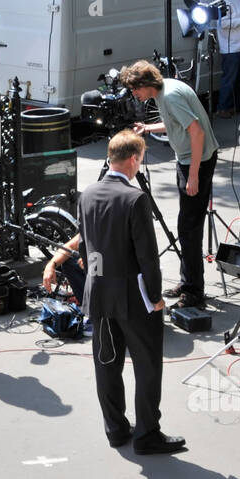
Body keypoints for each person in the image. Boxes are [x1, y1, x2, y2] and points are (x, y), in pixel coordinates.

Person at [77, 129, 184, 454]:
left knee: (106, 362)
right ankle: (148, 434)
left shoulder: (88, 194)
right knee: (147, 365)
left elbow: (85, 247)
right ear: (134, 159)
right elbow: (147, 257)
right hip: (133, 296)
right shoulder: (135, 198)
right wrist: (155, 296)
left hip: (99, 292)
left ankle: (116, 429)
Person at [121, 60, 219, 310]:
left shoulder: (171, 96)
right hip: (188, 160)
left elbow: (196, 132)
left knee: (189, 228)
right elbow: (176, 124)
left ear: (145, 83)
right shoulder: (166, 91)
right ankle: (189, 282)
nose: (135, 94)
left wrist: (194, 175)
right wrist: (148, 128)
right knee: (186, 226)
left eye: (135, 89)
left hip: (195, 163)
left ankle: (194, 292)